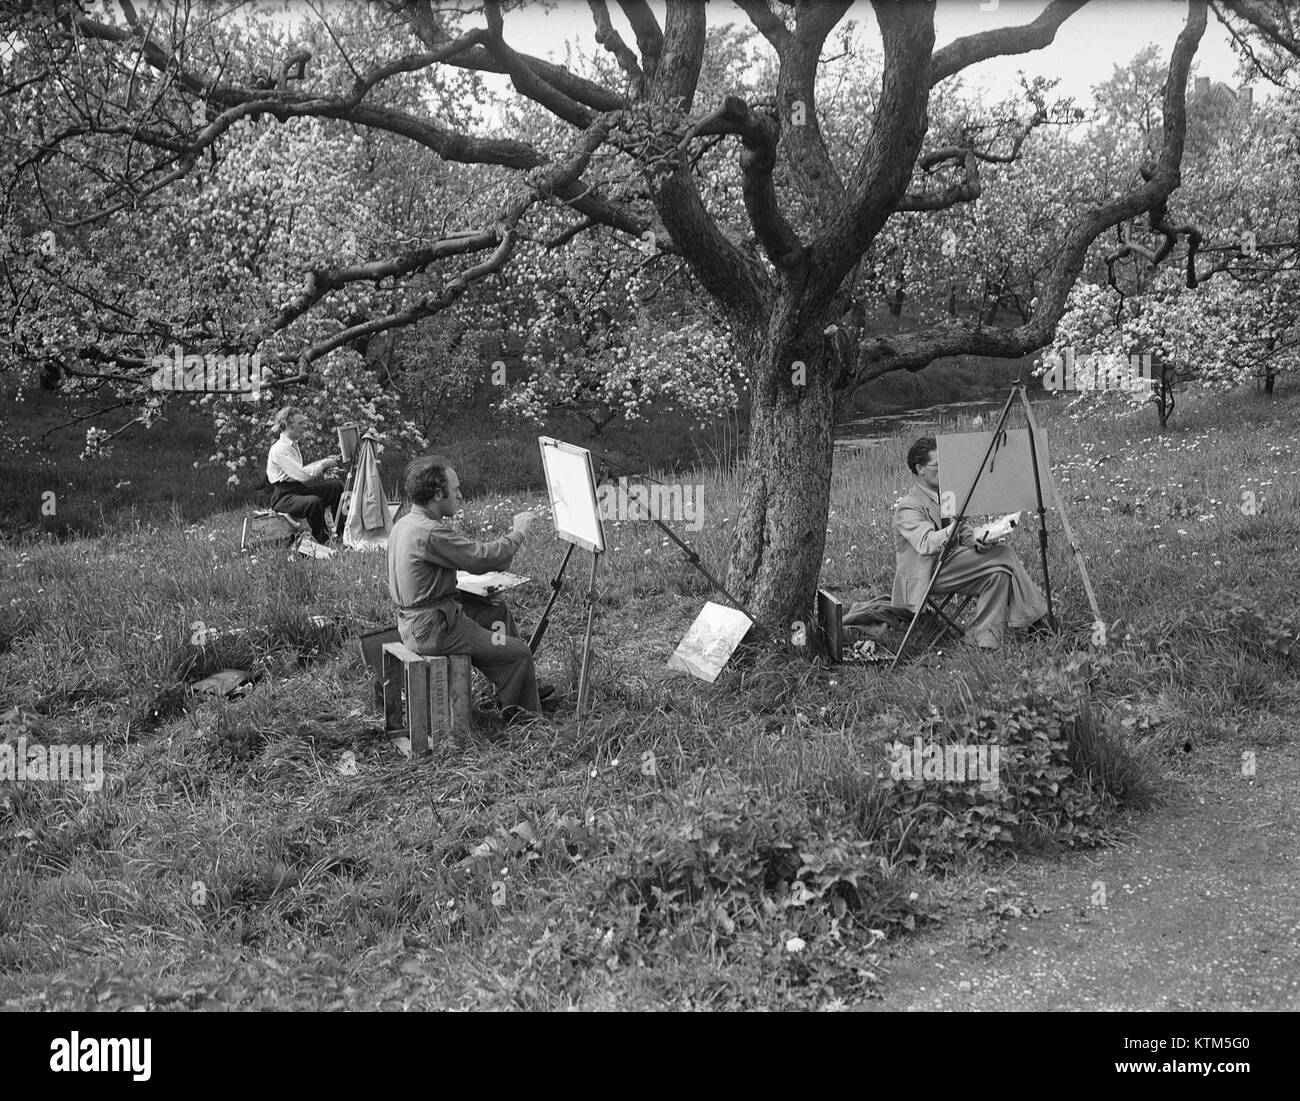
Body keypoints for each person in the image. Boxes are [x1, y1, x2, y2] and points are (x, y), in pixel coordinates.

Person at [387, 455, 548, 722]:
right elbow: (482, 558)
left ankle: (514, 683)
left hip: (419, 621)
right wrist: (517, 533)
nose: (460, 495)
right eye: (456, 489)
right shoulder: (432, 533)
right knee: (520, 653)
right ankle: (525, 721)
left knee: (495, 612)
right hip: (436, 630)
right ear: (438, 494)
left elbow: (424, 583)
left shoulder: (405, 523)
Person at [892, 437, 1048, 648]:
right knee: (1003, 553)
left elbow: (962, 533)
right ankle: (1038, 622)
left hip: (950, 566)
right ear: (920, 469)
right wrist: (955, 526)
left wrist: (979, 538)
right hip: (927, 575)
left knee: (998, 574)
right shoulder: (908, 507)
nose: (944, 470)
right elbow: (926, 543)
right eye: (937, 465)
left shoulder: (944, 496)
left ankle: (982, 642)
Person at [266, 406, 344, 550]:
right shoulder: (280, 449)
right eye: (300, 423)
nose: (304, 426)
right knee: (314, 503)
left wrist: (324, 462)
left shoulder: (292, 445)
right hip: (284, 496)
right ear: (289, 425)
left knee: (336, 487)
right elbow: (302, 475)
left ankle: (341, 534)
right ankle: (324, 543)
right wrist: (324, 464)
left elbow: (300, 470)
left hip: (298, 490)